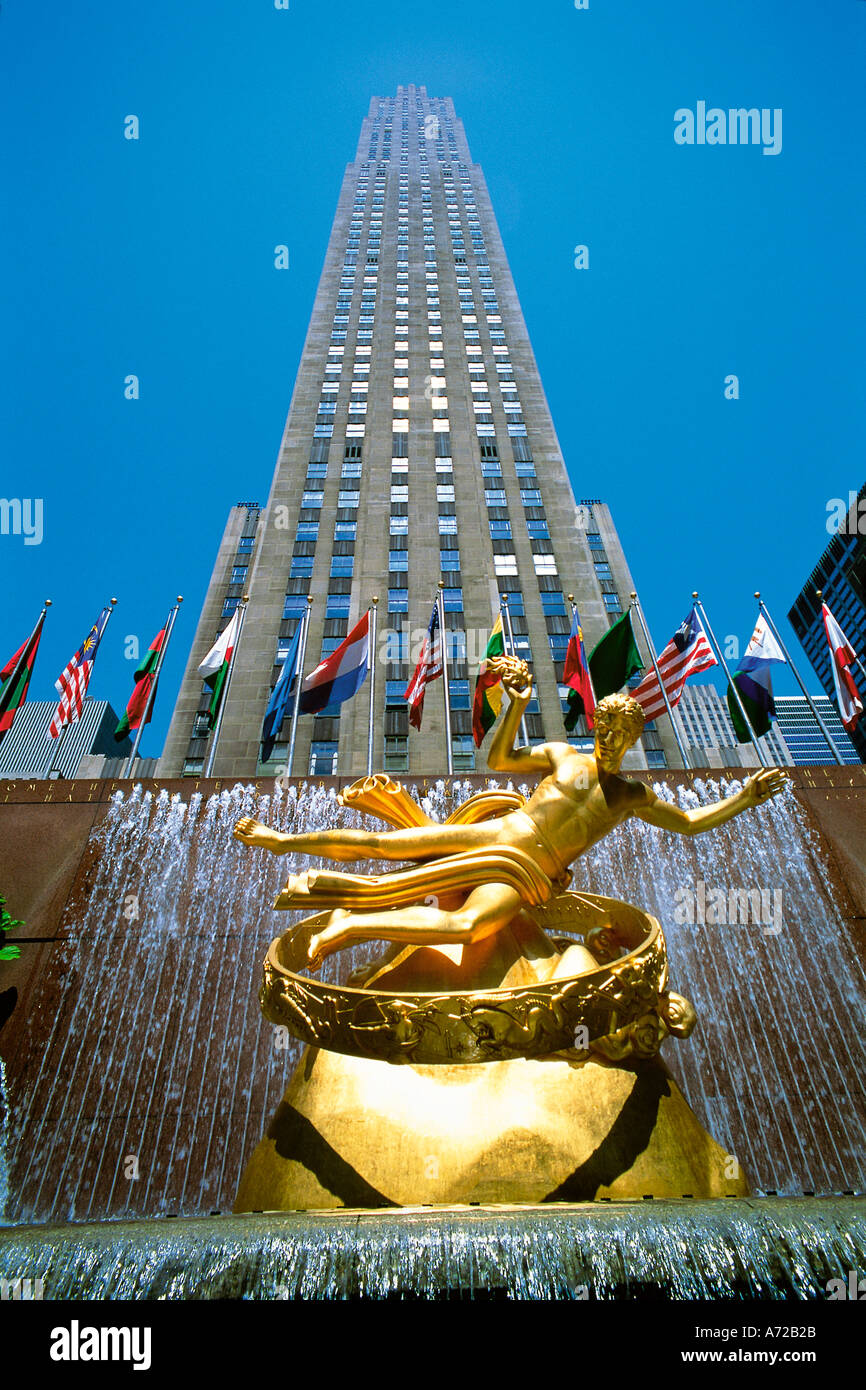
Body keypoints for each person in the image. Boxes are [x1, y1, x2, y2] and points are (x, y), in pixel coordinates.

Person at [234, 656, 787, 969]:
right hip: (502, 832)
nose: (616, 738)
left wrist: (743, 797)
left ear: (636, 738)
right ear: (598, 725)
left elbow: (688, 824)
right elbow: (498, 758)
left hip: (528, 874)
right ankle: (281, 839)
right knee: (388, 847)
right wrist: (517, 704)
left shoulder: (631, 796)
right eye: (610, 727)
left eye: (628, 732)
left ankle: (352, 925)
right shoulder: (562, 754)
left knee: (469, 925)